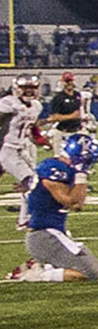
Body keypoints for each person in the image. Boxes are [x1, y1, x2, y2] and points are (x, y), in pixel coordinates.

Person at [8, 134, 98, 284]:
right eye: (88, 160)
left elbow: (78, 205)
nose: (89, 165)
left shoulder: (59, 168)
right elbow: (72, 202)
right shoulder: (54, 169)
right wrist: (81, 174)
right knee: (94, 273)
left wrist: (79, 175)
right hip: (45, 236)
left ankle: (43, 265)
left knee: (93, 269)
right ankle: (38, 273)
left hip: (51, 234)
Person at [1, 74, 45, 228]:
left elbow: (32, 127)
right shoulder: (8, 103)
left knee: (32, 182)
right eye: (26, 88)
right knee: (30, 182)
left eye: (32, 88)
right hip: (7, 149)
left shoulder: (37, 106)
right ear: (17, 88)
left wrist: (40, 139)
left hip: (22, 149)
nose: (29, 91)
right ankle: (24, 219)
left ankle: (23, 219)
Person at [44, 72, 87, 153]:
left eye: (70, 81)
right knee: (60, 159)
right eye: (67, 81)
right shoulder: (58, 98)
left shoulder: (77, 95)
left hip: (77, 131)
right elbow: (54, 117)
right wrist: (71, 116)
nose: (69, 83)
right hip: (62, 132)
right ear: (63, 82)